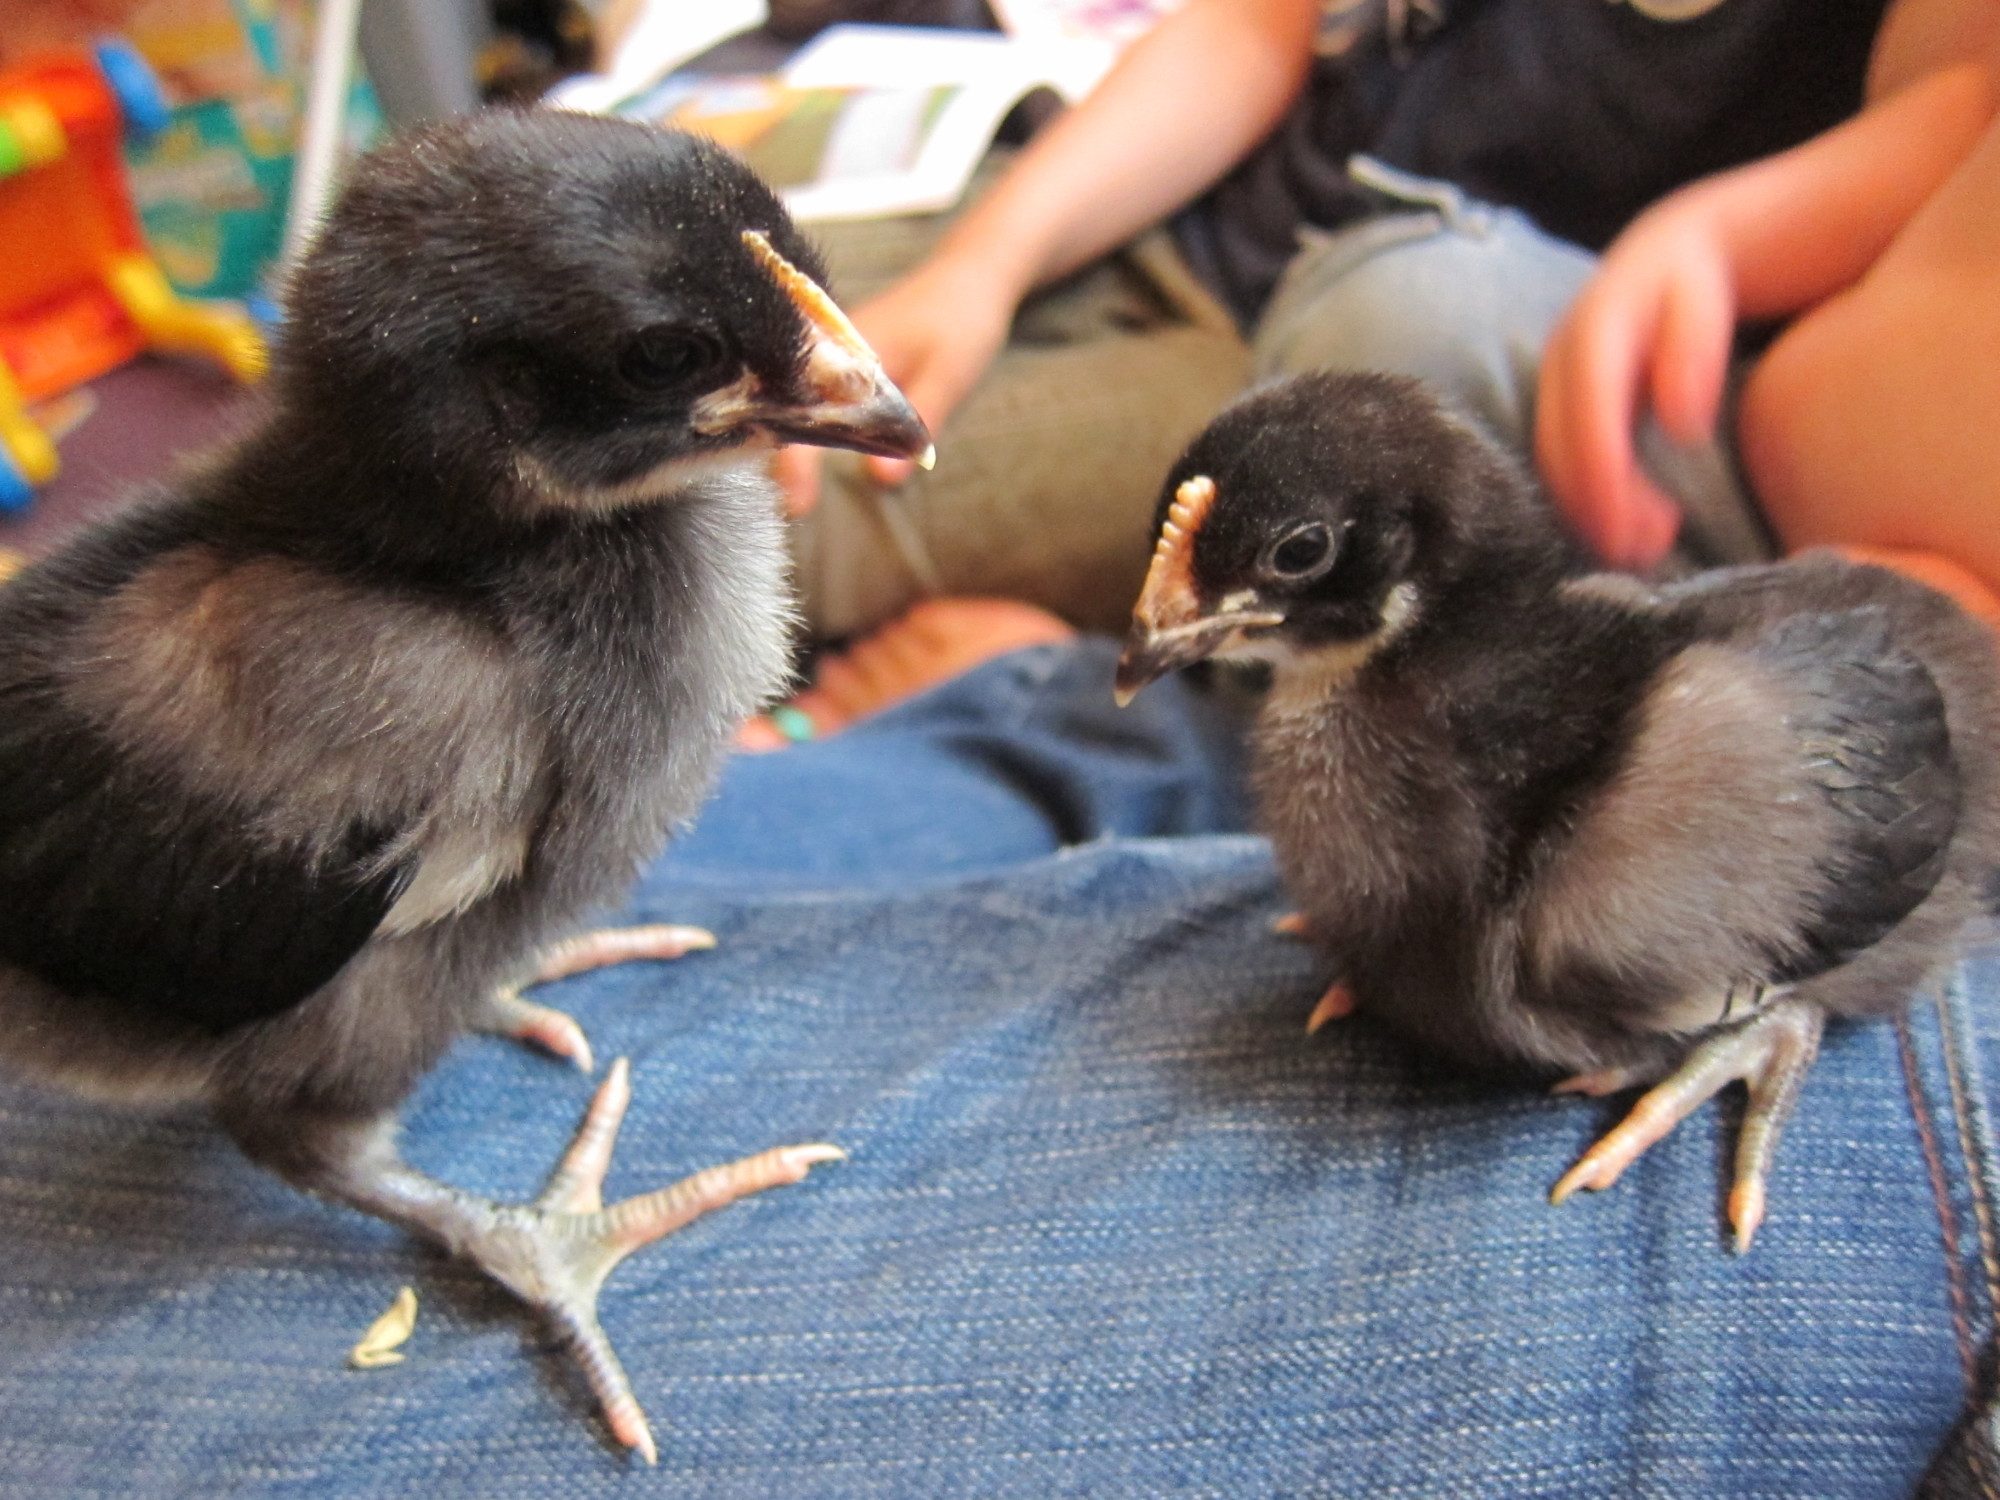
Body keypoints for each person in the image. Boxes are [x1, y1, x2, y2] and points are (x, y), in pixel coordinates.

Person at [774, 0, 1998, 722]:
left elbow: (1955, 95)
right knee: (692, 315)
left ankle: (1030, 701)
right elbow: (1253, 32)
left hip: (1275, 360)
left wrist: (1723, 235)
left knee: (767, 504)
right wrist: (987, 266)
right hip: (1169, 214)